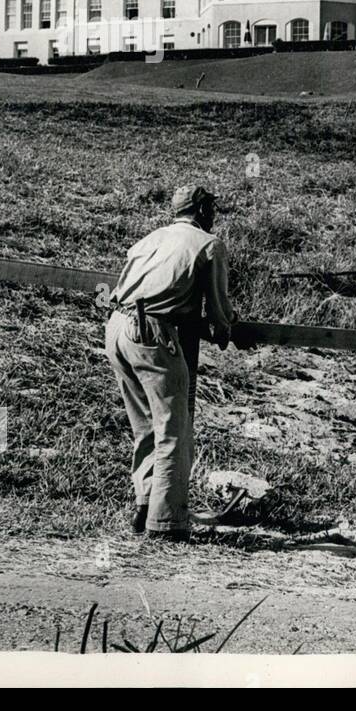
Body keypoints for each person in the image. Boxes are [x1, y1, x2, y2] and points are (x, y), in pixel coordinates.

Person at [105, 185, 235, 542]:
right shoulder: (209, 244)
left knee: (146, 426)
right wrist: (225, 331)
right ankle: (166, 526)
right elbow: (219, 313)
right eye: (210, 207)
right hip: (151, 333)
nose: (213, 213)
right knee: (175, 431)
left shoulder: (151, 238)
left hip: (116, 326)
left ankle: (145, 506)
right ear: (202, 210)